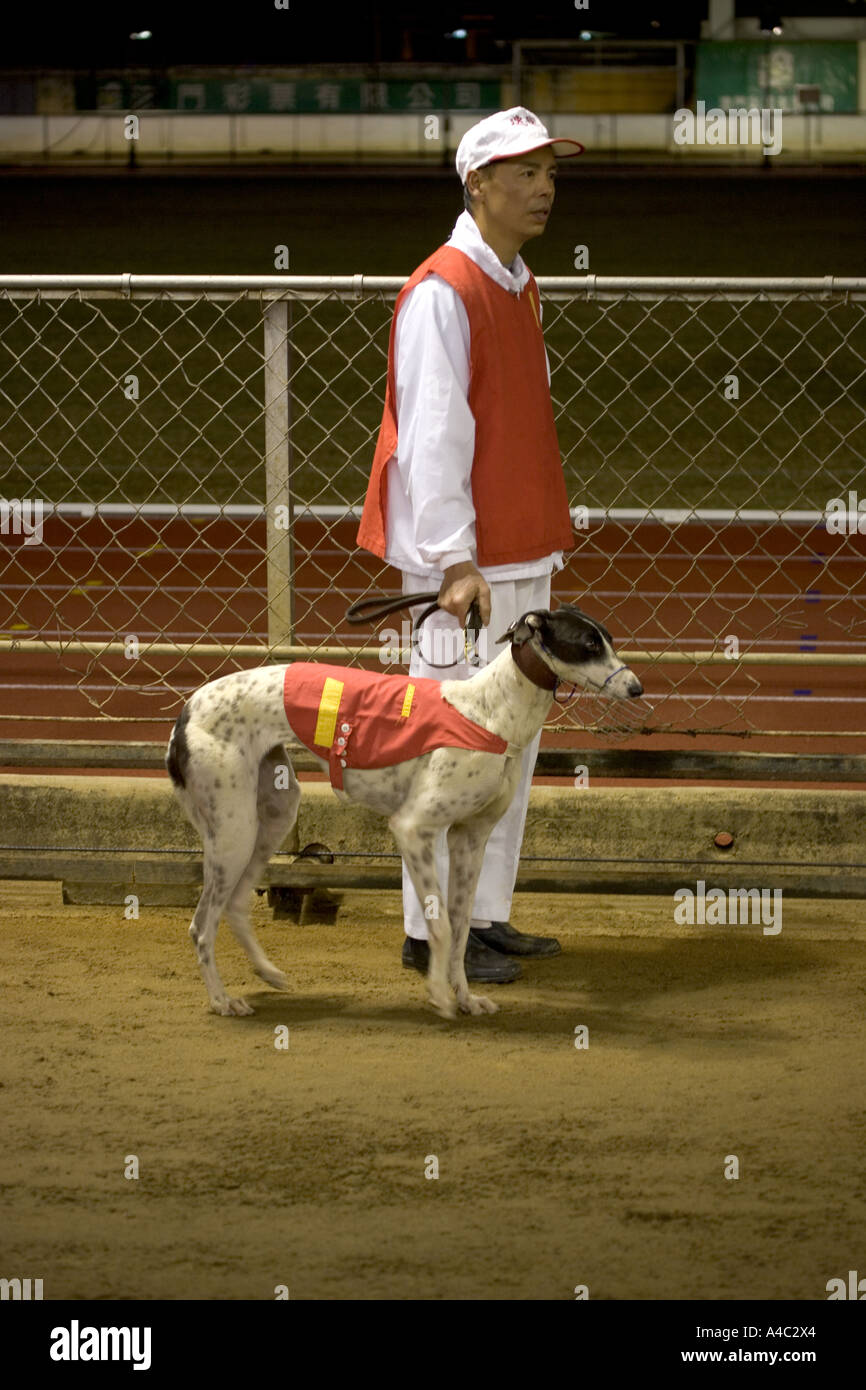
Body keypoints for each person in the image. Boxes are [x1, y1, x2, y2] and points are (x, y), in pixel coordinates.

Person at [357, 106, 584, 984]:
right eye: (523, 172)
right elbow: (434, 436)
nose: (543, 187)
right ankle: (430, 935)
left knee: (510, 748)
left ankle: (483, 917)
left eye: (550, 173)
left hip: (517, 555)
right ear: (476, 184)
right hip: (467, 570)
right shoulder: (444, 289)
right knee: (451, 749)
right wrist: (453, 558)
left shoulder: (517, 280)